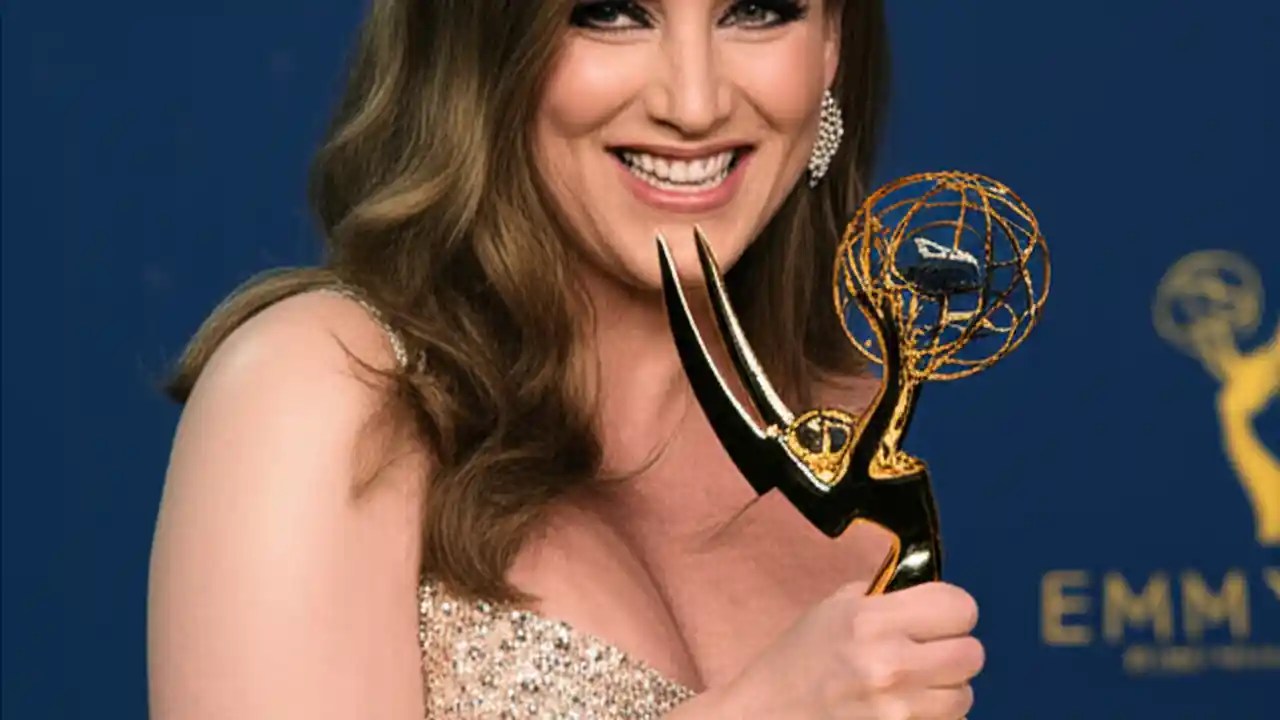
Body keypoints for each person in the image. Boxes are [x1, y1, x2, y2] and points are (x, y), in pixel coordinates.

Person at [146, 0, 985, 717]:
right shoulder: (325, 391)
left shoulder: (848, 460)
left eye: (756, 11)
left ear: (832, 41)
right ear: (491, 42)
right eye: (610, 12)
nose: (693, 103)